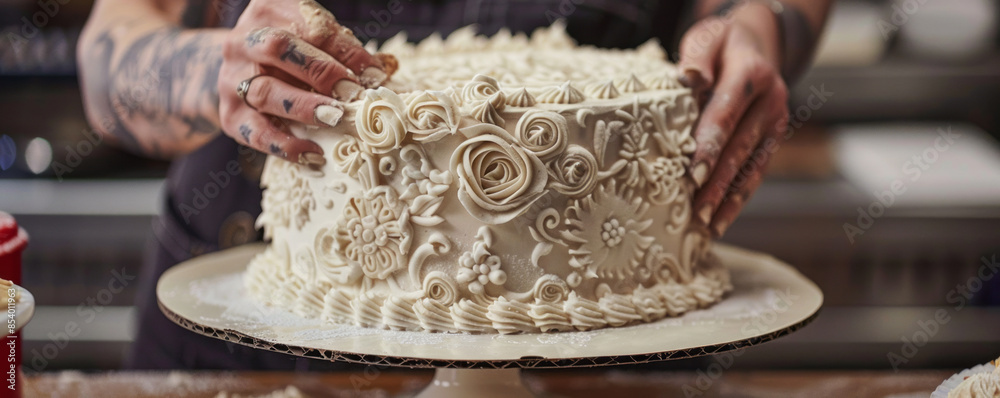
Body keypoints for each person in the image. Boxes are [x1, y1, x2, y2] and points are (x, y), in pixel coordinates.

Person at [77, 0, 833, 369]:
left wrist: (758, 25)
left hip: (600, 335)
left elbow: (760, 12)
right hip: (252, 315)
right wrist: (213, 66)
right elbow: (107, 64)